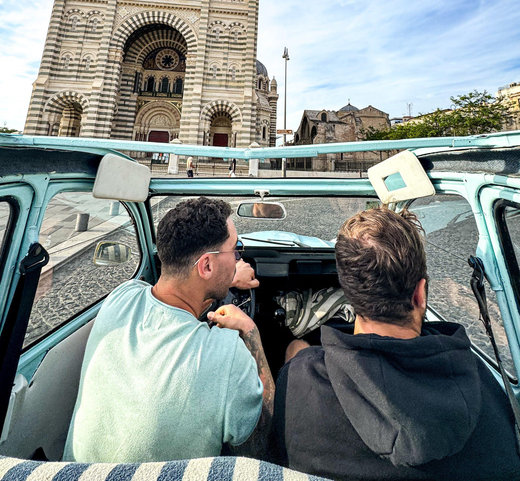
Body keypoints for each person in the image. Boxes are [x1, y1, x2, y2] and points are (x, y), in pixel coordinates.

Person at [271, 207, 520, 481]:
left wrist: (292, 351)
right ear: (420, 294)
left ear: (349, 293)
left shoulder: (300, 378)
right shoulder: (483, 384)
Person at [64, 198, 274, 463]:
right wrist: (250, 330)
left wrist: (225, 278)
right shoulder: (227, 353)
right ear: (207, 266)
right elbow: (257, 449)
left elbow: (175, 297)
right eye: (235, 250)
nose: (236, 258)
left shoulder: (121, 297)